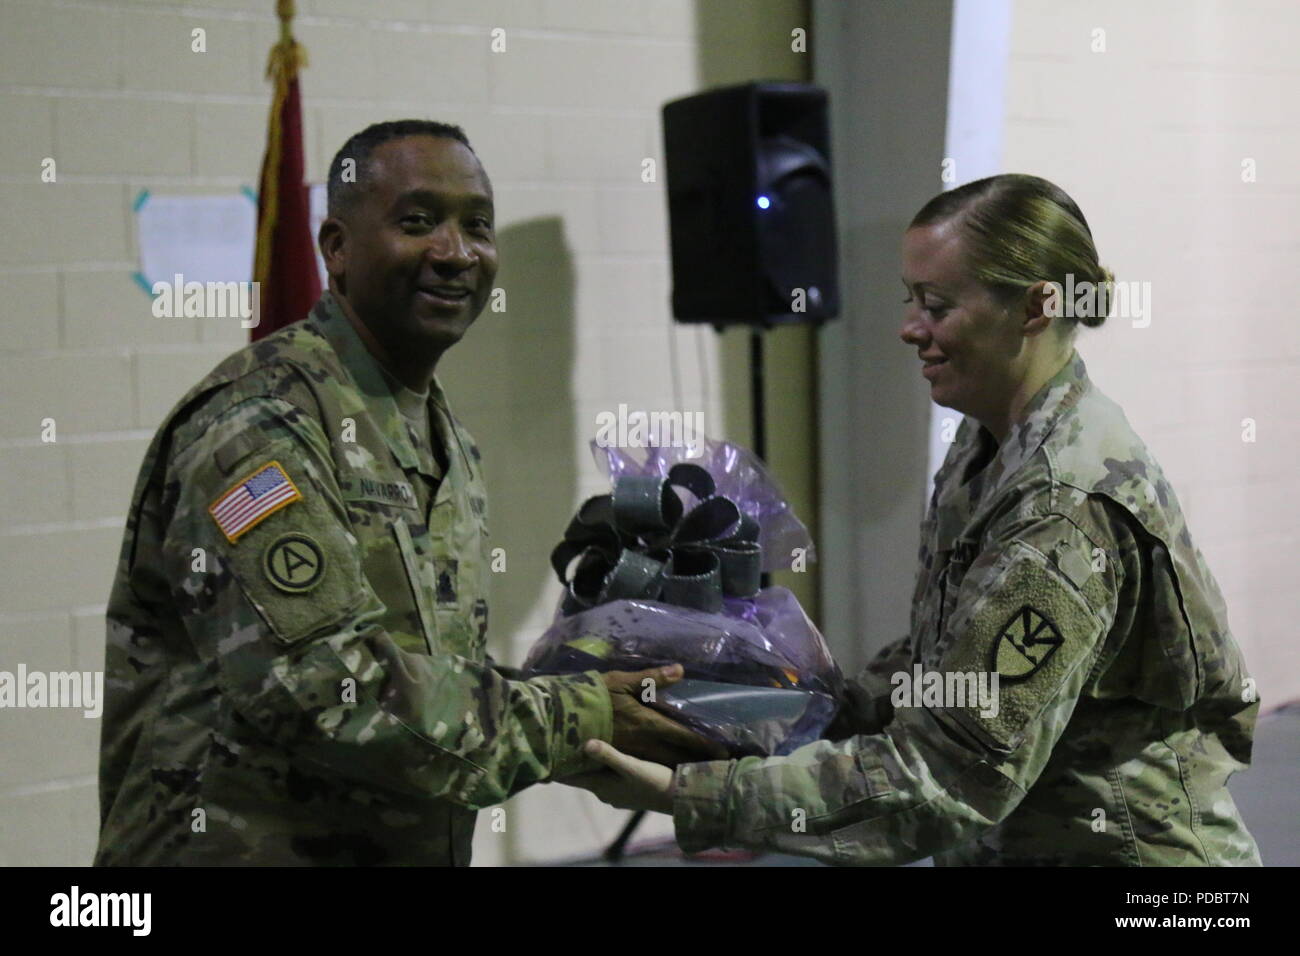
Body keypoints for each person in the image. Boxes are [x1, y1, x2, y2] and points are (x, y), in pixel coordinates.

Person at [570, 174, 1263, 866]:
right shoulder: (990, 442)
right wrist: (794, 703)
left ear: (1034, 307)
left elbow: (947, 775)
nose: (910, 329)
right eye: (911, 301)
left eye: (937, 305)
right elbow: (947, 658)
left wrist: (697, 797)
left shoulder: (1062, 507)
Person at [96, 119, 713, 866]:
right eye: (417, 222)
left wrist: (635, 703)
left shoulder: (438, 432)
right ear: (337, 249)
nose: (454, 254)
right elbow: (325, 690)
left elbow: (435, 685)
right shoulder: (257, 427)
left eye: (476, 226)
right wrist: (583, 713)